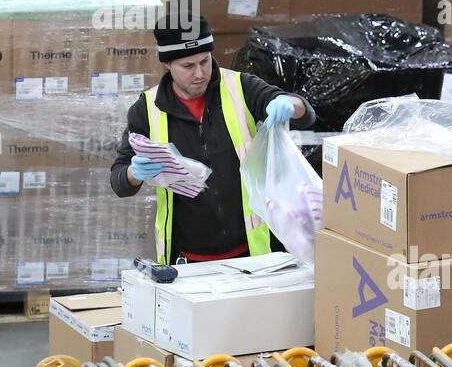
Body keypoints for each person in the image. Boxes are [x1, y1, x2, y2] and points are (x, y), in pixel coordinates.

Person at [110, 14, 315, 264]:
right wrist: (133, 173)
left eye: (205, 61)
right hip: (187, 260)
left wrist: (290, 104)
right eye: (188, 66)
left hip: (252, 254)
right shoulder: (147, 110)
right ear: (168, 64)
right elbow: (119, 181)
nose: (200, 73)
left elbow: (304, 113)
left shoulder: (240, 87)